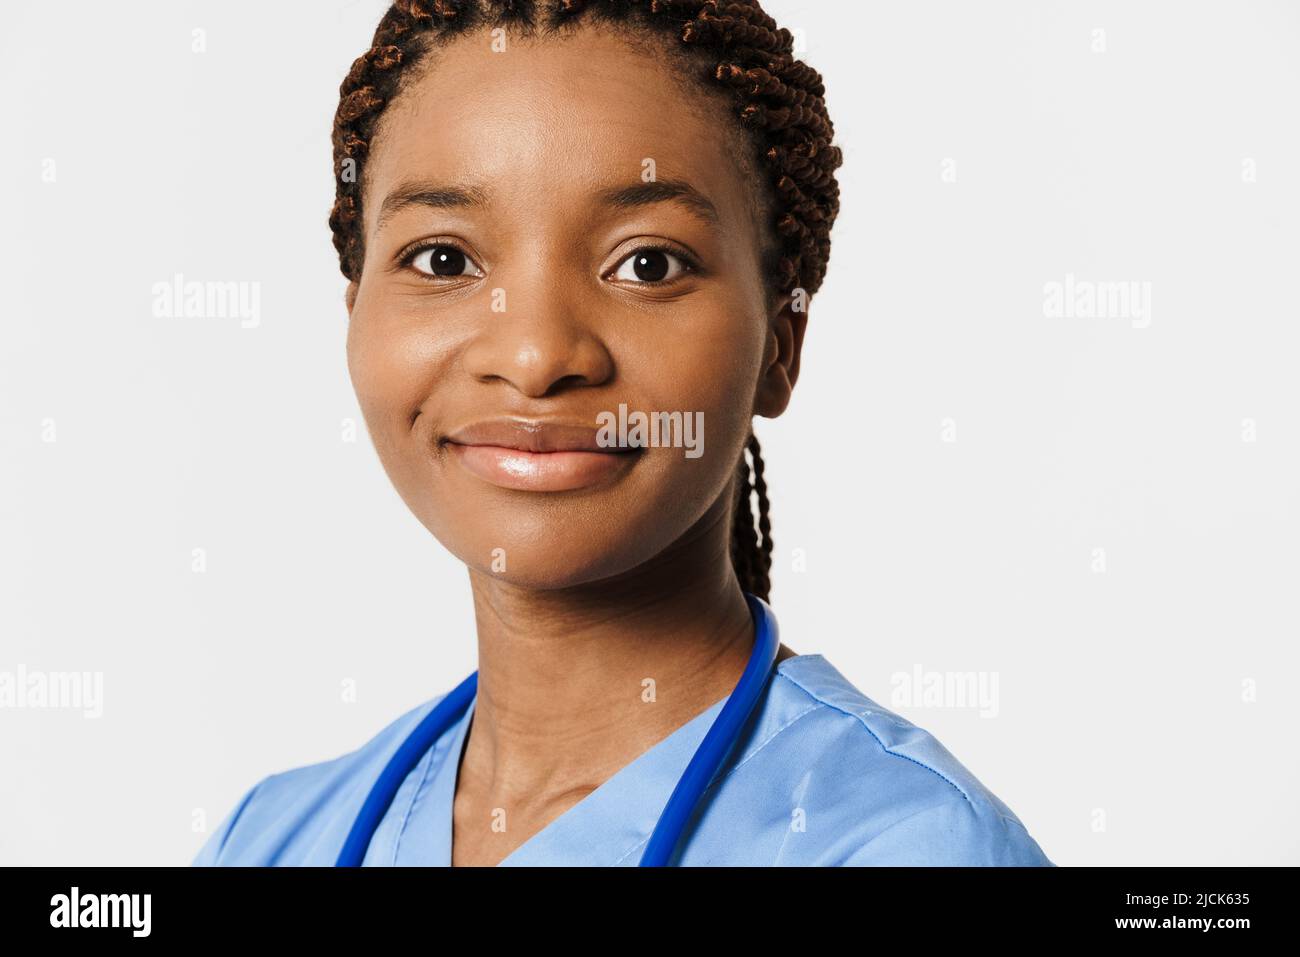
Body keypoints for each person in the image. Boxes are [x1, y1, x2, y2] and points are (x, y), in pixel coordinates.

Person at [194, 0, 1052, 867]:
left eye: (649, 263)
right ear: (356, 310)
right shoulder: (270, 838)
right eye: (444, 259)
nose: (533, 355)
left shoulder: (910, 845)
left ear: (779, 344)